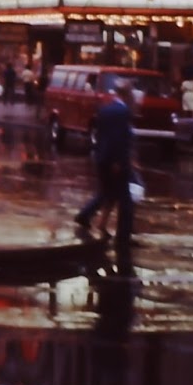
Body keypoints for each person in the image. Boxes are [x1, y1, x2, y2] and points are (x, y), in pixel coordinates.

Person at [75, 88, 137, 267]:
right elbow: (119, 139)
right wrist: (119, 161)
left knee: (107, 192)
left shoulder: (106, 109)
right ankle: (123, 237)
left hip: (103, 158)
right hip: (115, 161)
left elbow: (104, 136)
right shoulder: (123, 112)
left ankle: (85, 215)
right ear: (127, 96)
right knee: (125, 200)